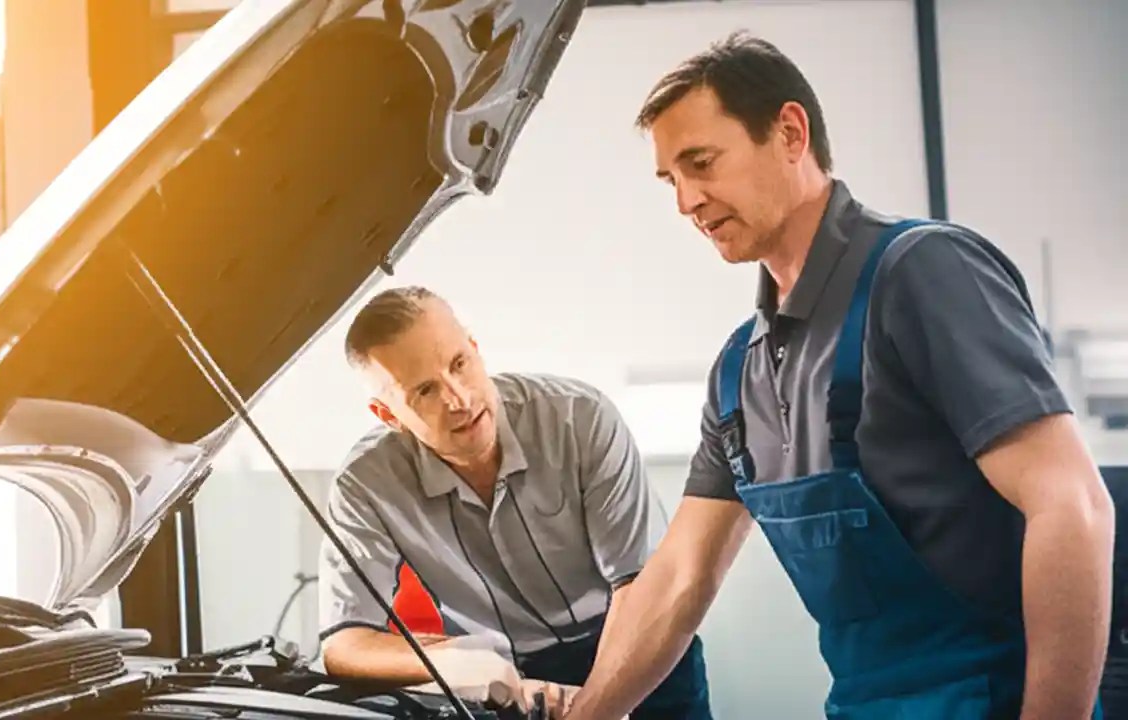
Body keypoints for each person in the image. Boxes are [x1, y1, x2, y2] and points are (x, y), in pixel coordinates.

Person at [564, 32, 1115, 720]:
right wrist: (588, 713)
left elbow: (1073, 505)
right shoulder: (739, 372)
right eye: (669, 180)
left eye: (701, 163)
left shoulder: (922, 273)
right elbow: (679, 577)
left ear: (790, 134)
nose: (686, 201)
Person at [316, 286, 713, 719]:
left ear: (475, 349)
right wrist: (453, 661)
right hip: (509, 679)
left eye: (459, 364)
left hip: (639, 636)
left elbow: (639, 586)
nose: (459, 399)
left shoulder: (580, 417)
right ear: (388, 415)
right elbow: (345, 644)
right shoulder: (364, 485)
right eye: (426, 390)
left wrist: (594, 708)